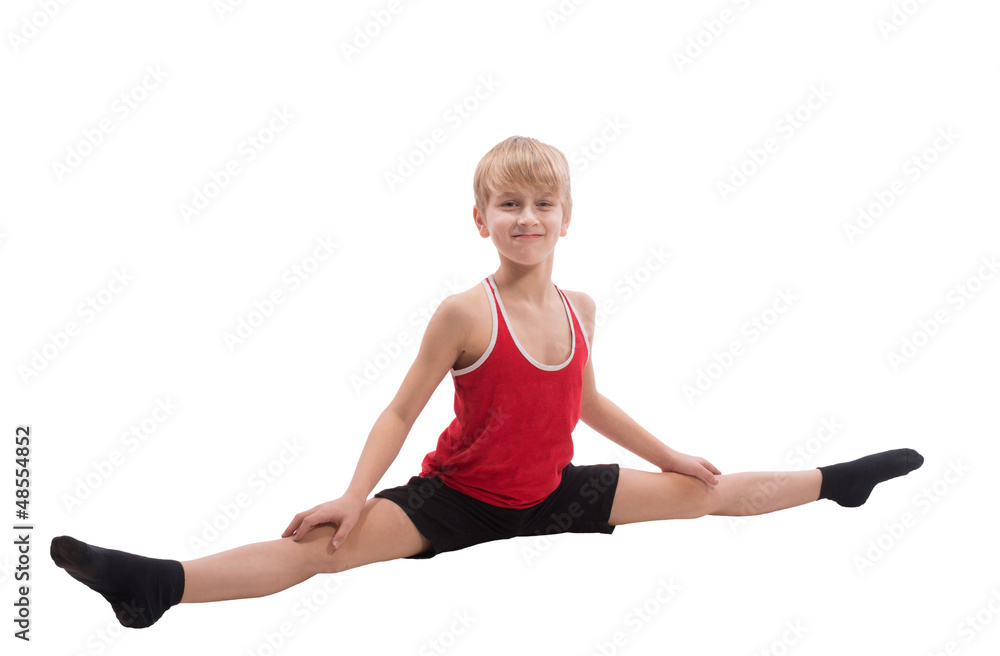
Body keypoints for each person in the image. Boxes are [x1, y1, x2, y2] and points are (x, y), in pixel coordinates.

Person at [51, 135, 924, 629]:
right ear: (482, 221)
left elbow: (582, 403)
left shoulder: (581, 305)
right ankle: (158, 584)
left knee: (712, 490)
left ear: (567, 219)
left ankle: (837, 485)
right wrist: (355, 495)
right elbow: (402, 408)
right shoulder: (465, 314)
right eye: (509, 205)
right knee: (314, 556)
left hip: (550, 491)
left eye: (543, 205)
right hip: (457, 498)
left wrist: (669, 454)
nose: (528, 218)